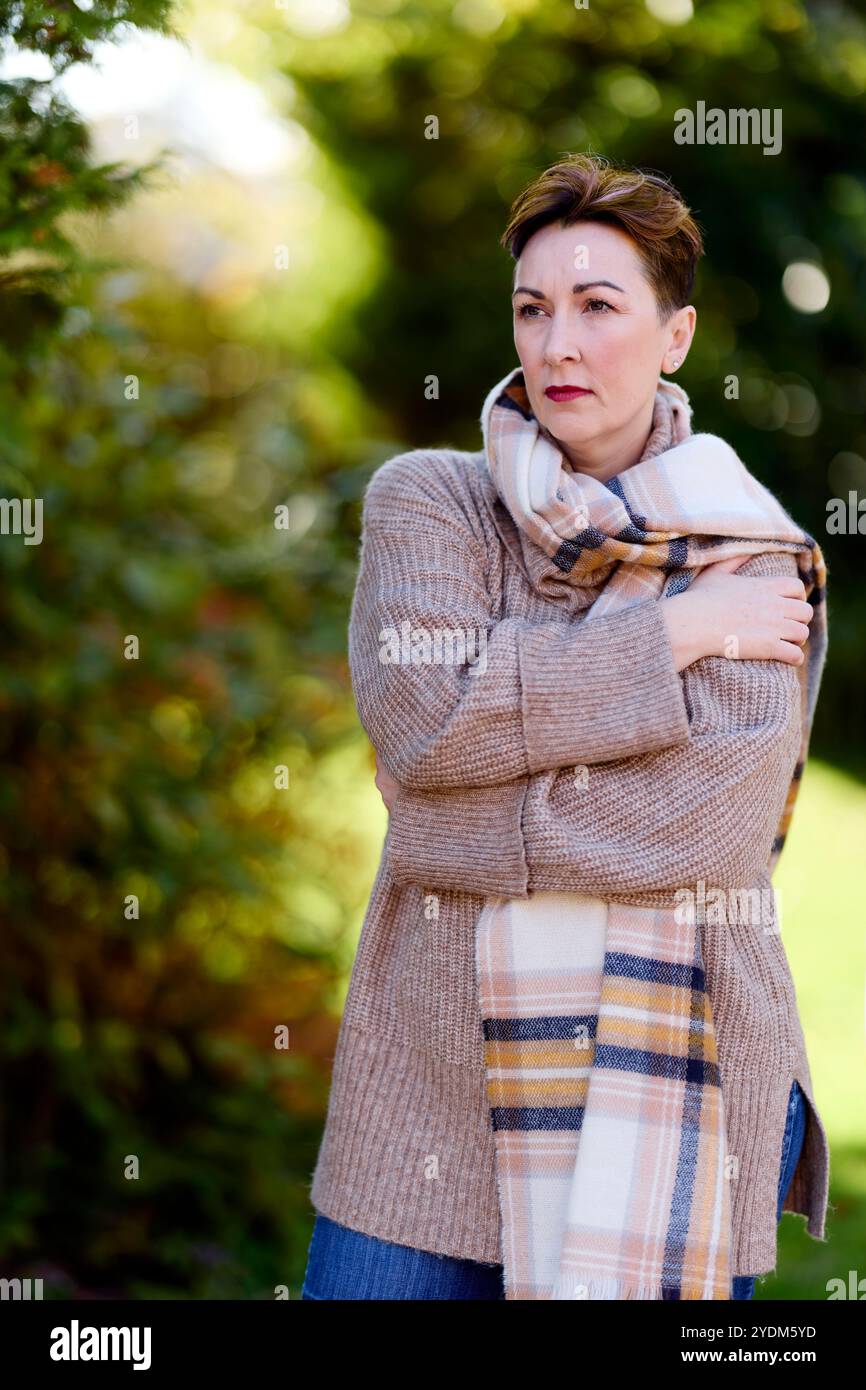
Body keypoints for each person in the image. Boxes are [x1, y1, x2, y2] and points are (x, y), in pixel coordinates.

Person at [305, 152, 829, 1300]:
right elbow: (425, 732)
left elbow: (706, 835)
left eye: (597, 308)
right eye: (532, 310)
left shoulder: (751, 552)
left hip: (677, 1096)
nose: (556, 346)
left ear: (674, 336)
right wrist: (675, 638)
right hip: (427, 1092)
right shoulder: (428, 502)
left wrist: (447, 831)